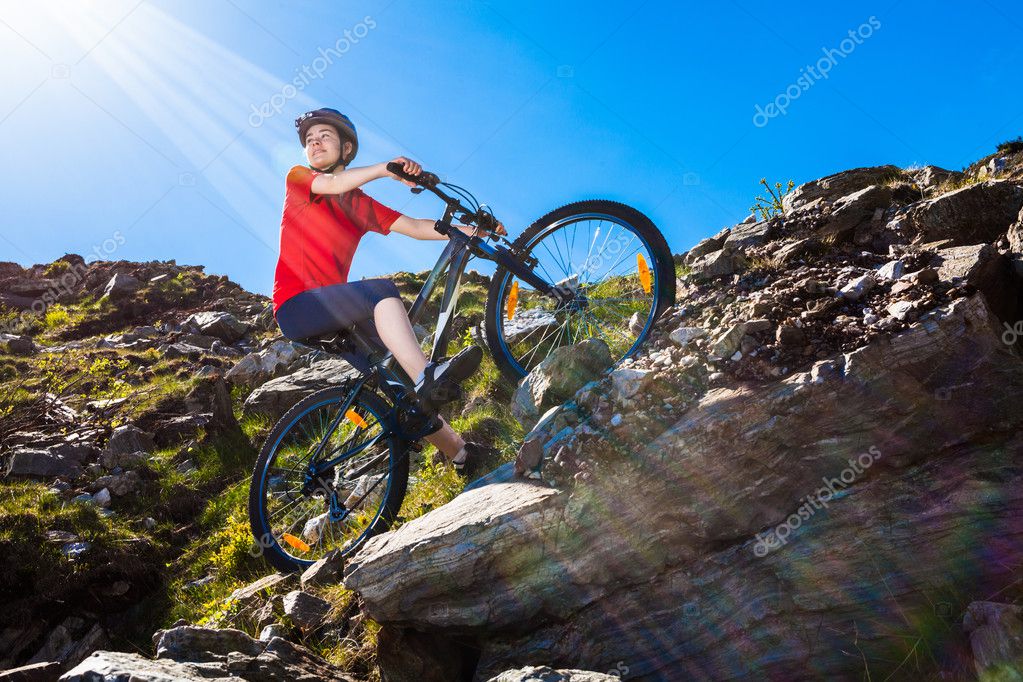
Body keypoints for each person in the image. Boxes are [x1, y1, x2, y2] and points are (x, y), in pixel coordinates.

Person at [272, 108, 505, 476]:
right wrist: (386, 168)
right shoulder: (300, 178)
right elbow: (332, 184)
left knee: (398, 379)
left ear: (346, 149)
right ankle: (428, 374)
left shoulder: (358, 203)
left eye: (324, 136)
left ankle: (461, 454)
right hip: (296, 306)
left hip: (335, 313)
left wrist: (471, 231)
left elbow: (413, 226)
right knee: (381, 291)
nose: (315, 143)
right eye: (309, 139)